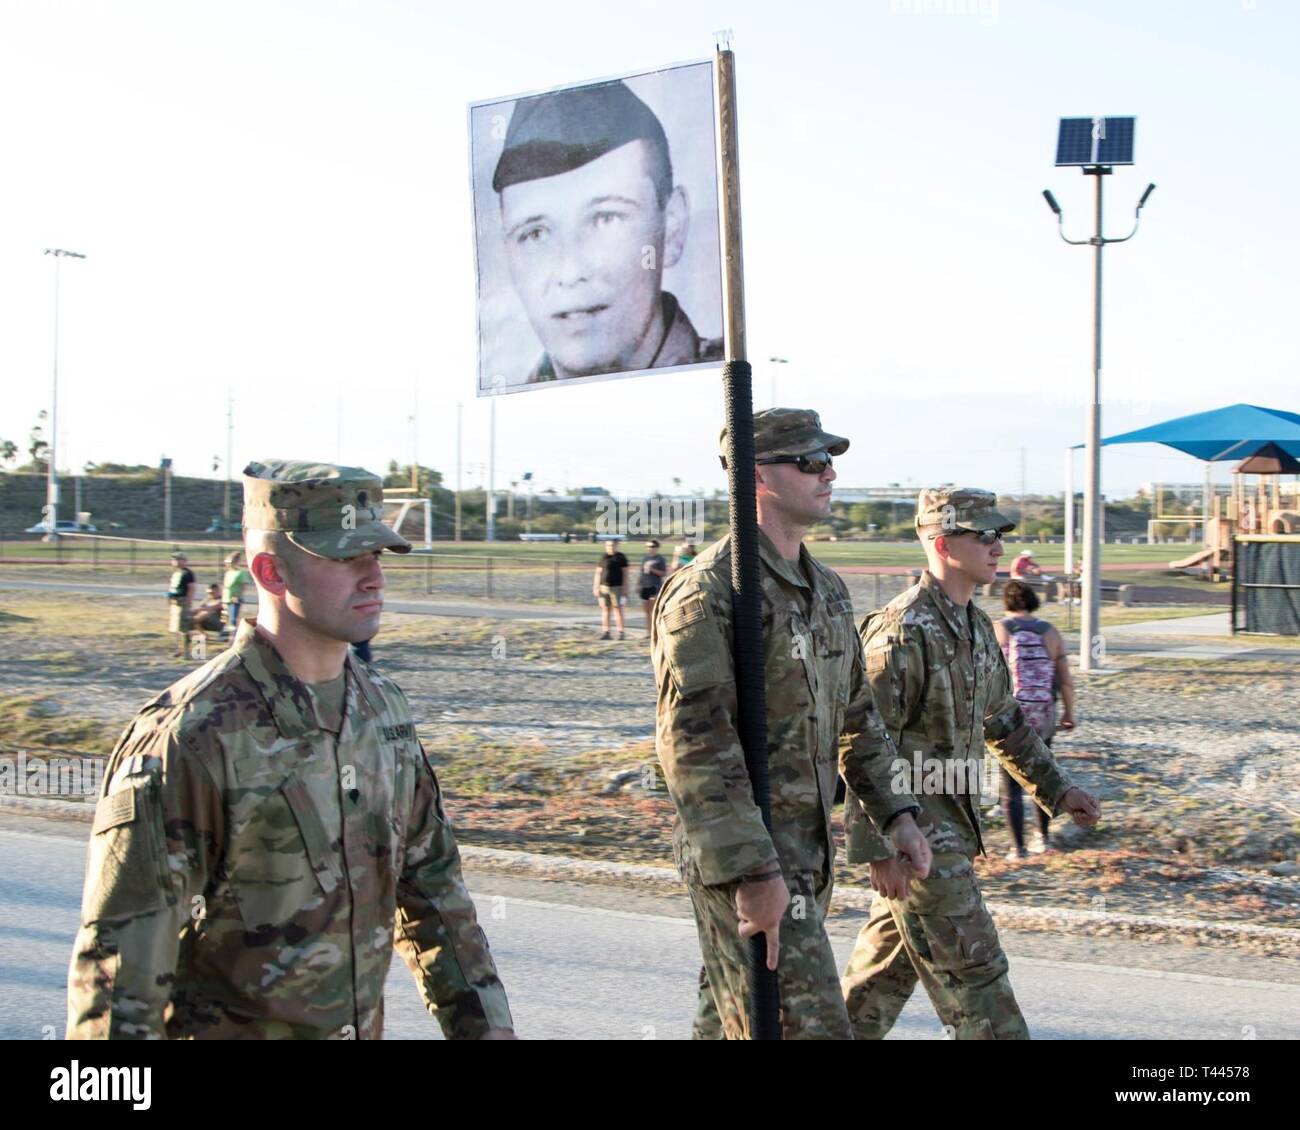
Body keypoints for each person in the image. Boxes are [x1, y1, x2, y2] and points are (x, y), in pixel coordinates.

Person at [67, 460, 515, 1040]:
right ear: (270, 572)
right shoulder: (191, 737)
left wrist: (487, 1030)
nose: (374, 577)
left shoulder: (384, 712)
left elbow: (435, 897)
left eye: (376, 556)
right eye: (345, 558)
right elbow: (118, 980)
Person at [652, 408, 931, 1040]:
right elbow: (695, 746)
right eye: (810, 461)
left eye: (829, 459)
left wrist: (897, 815)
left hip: (809, 855)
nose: (829, 472)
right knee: (808, 1029)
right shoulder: (709, 593)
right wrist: (754, 872)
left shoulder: (826, 589)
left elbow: (858, 715)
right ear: (756, 475)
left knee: (734, 1022)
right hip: (748, 860)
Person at [840, 487, 1102, 1040]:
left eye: (1000, 535)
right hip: (916, 832)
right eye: (983, 535)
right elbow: (861, 739)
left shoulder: (979, 628)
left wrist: (1058, 791)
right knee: (980, 978)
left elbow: (1005, 722)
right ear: (941, 542)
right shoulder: (901, 631)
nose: (997, 546)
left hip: (947, 834)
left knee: (880, 980)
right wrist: (878, 844)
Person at [493, 80, 722, 384]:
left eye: (605, 219)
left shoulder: (726, 399)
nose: (571, 271)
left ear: (671, 226)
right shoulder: (505, 423)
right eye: (535, 234)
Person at [994, 580, 1076, 858]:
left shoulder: (999, 629)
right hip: (1043, 715)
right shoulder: (1050, 632)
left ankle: (1018, 849)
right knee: (1042, 776)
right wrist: (1069, 712)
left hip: (1010, 716)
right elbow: (1065, 680)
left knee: (1010, 784)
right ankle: (1044, 840)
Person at [593, 538, 629, 640]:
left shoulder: (621, 557)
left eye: (613, 545)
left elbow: (625, 574)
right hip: (604, 587)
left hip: (617, 587)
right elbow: (598, 573)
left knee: (618, 609)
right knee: (605, 609)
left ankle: (621, 632)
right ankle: (606, 632)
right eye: (608, 545)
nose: (611, 547)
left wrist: (625, 588)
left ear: (617, 546)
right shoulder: (604, 557)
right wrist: (596, 586)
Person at [166, 551, 196, 657]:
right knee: (175, 628)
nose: (176, 562)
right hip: (175, 602)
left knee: (184, 628)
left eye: (179, 559)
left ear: (184, 561)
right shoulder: (176, 573)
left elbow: (191, 588)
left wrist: (187, 601)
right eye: (174, 560)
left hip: (182, 602)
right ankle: (178, 649)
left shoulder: (187, 573)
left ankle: (187, 651)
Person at [221, 550, 252, 638]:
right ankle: (224, 636)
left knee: (233, 619)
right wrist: (223, 600)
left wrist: (237, 596)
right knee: (224, 618)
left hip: (235, 599)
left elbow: (243, 586)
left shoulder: (241, 573)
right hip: (226, 599)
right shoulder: (228, 573)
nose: (229, 564)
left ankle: (233, 637)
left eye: (231, 562)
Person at [639, 539, 668, 626]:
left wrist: (652, 570)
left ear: (657, 547)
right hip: (645, 587)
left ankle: (657, 632)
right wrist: (639, 584)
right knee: (647, 612)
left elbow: (663, 573)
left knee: (654, 611)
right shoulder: (645, 558)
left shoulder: (660, 559)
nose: (650, 548)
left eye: (652, 546)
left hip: (655, 586)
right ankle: (649, 634)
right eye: (648, 546)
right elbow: (642, 572)